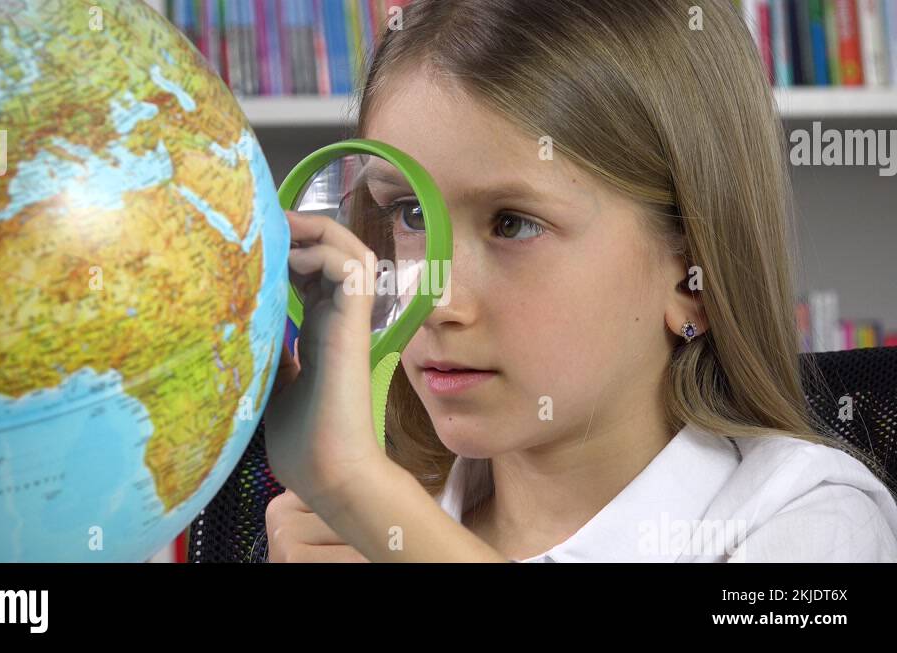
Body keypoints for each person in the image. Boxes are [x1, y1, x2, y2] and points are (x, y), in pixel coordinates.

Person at [261, 0, 897, 562]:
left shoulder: (817, 525)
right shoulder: (355, 530)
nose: (438, 302)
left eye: (513, 224)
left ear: (691, 277)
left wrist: (374, 508)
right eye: (410, 214)